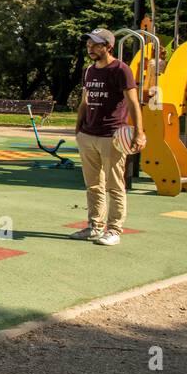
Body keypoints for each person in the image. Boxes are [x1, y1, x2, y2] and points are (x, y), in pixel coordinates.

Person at [71, 28, 146, 246]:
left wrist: (139, 132)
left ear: (108, 46)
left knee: (114, 185)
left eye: (96, 44)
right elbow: (85, 101)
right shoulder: (89, 71)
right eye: (89, 44)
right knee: (93, 185)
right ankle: (94, 227)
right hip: (88, 135)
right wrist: (78, 129)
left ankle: (113, 230)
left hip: (112, 135)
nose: (91, 48)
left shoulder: (121, 70)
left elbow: (133, 102)